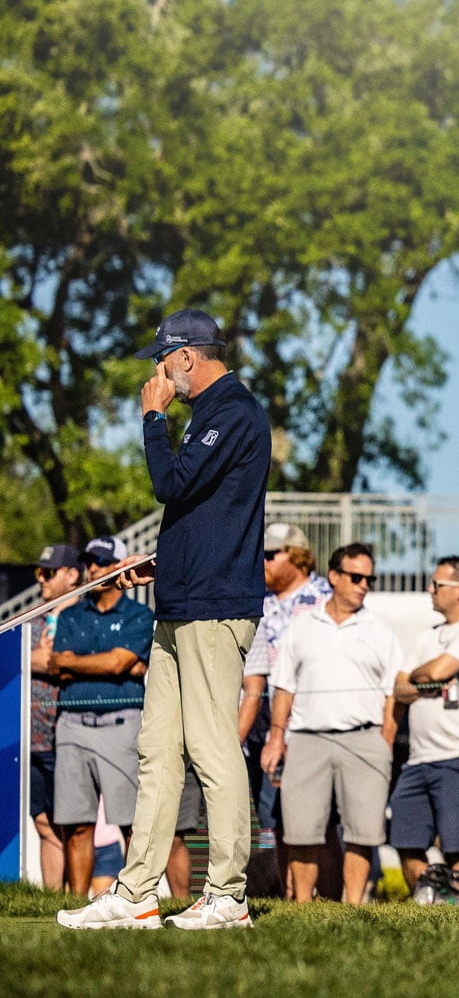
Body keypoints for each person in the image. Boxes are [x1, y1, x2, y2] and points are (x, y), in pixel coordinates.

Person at [61, 309, 270, 931]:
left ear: (187, 356)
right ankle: (137, 894)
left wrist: (153, 418)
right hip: (182, 601)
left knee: (211, 747)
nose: (157, 373)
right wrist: (161, 562)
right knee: (156, 750)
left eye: (161, 360)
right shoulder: (210, 414)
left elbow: (170, 483)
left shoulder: (233, 410)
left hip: (215, 607)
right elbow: (201, 509)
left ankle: (228, 896)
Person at [256, 543, 402, 903]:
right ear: (334, 576)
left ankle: (353, 906)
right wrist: (276, 738)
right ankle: (303, 905)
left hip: (364, 737)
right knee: (301, 830)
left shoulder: (380, 630)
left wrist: (385, 740)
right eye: (356, 577)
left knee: (362, 832)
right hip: (307, 739)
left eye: (369, 579)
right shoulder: (303, 626)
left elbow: (394, 693)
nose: (364, 585)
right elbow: (284, 686)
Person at [48, 537, 155, 897]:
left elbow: (117, 663)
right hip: (72, 724)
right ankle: (77, 904)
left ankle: (134, 897)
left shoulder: (139, 615)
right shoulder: (70, 615)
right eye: (89, 562)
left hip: (121, 724)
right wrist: (111, 664)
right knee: (76, 824)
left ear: (121, 566)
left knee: (130, 822)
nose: (93, 569)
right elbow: (57, 666)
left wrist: (77, 662)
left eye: (101, 561)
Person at [390, 555, 459, 895]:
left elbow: (436, 672)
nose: (430, 589)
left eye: (437, 584)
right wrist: (424, 680)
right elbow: (400, 689)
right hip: (418, 759)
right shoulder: (427, 636)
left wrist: (422, 676)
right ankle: (430, 902)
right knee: (405, 841)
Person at [239, 522, 335, 897]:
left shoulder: (326, 598)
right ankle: (291, 896)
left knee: (319, 822)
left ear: (296, 556)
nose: (260, 562)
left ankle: (330, 900)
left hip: (310, 728)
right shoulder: (258, 601)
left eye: (269, 555)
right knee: (275, 819)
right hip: (265, 731)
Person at [28, 542, 82, 890]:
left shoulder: (84, 615)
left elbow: (66, 664)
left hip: (68, 734)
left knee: (72, 822)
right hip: (32, 738)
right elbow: (24, 659)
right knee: (43, 822)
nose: (41, 579)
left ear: (73, 575)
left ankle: (75, 898)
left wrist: (44, 659)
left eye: (49, 572)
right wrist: (44, 659)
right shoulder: (31, 618)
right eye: (39, 572)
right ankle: (51, 900)